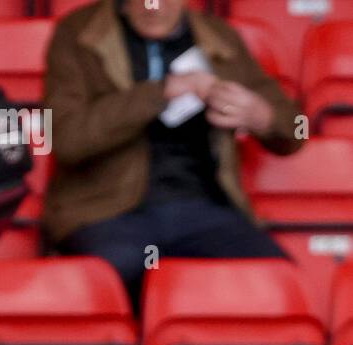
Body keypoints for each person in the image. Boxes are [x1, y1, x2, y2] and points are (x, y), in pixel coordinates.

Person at [44, 0, 301, 310]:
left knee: (274, 281)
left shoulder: (218, 37)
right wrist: (160, 92)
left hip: (203, 210)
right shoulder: (79, 34)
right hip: (107, 211)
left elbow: (297, 131)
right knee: (114, 276)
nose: (153, 7)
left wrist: (264, 117)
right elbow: (66, 140)